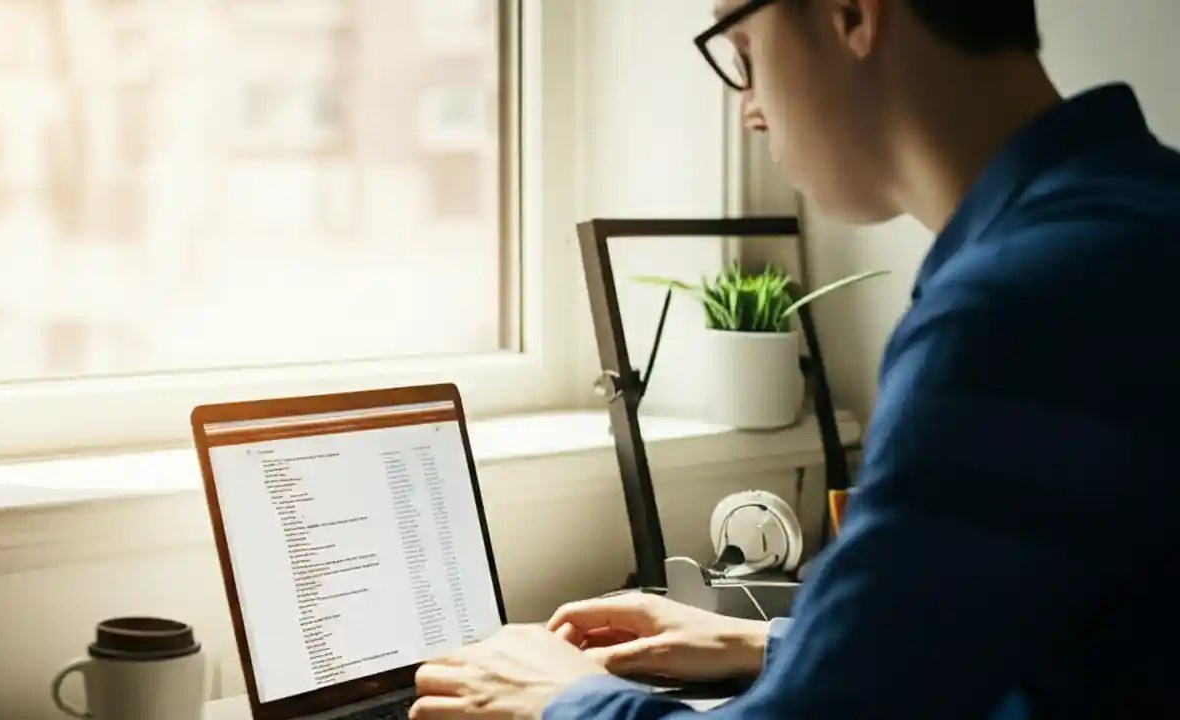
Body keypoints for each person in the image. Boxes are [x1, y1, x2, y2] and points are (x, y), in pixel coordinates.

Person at [410, 0, 1180, 717]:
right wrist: (768, 645)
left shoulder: (1015, 309)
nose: (748, 109)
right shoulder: (1137, 217)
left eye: (743, 47)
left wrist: (563, 698)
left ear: (850, 13)